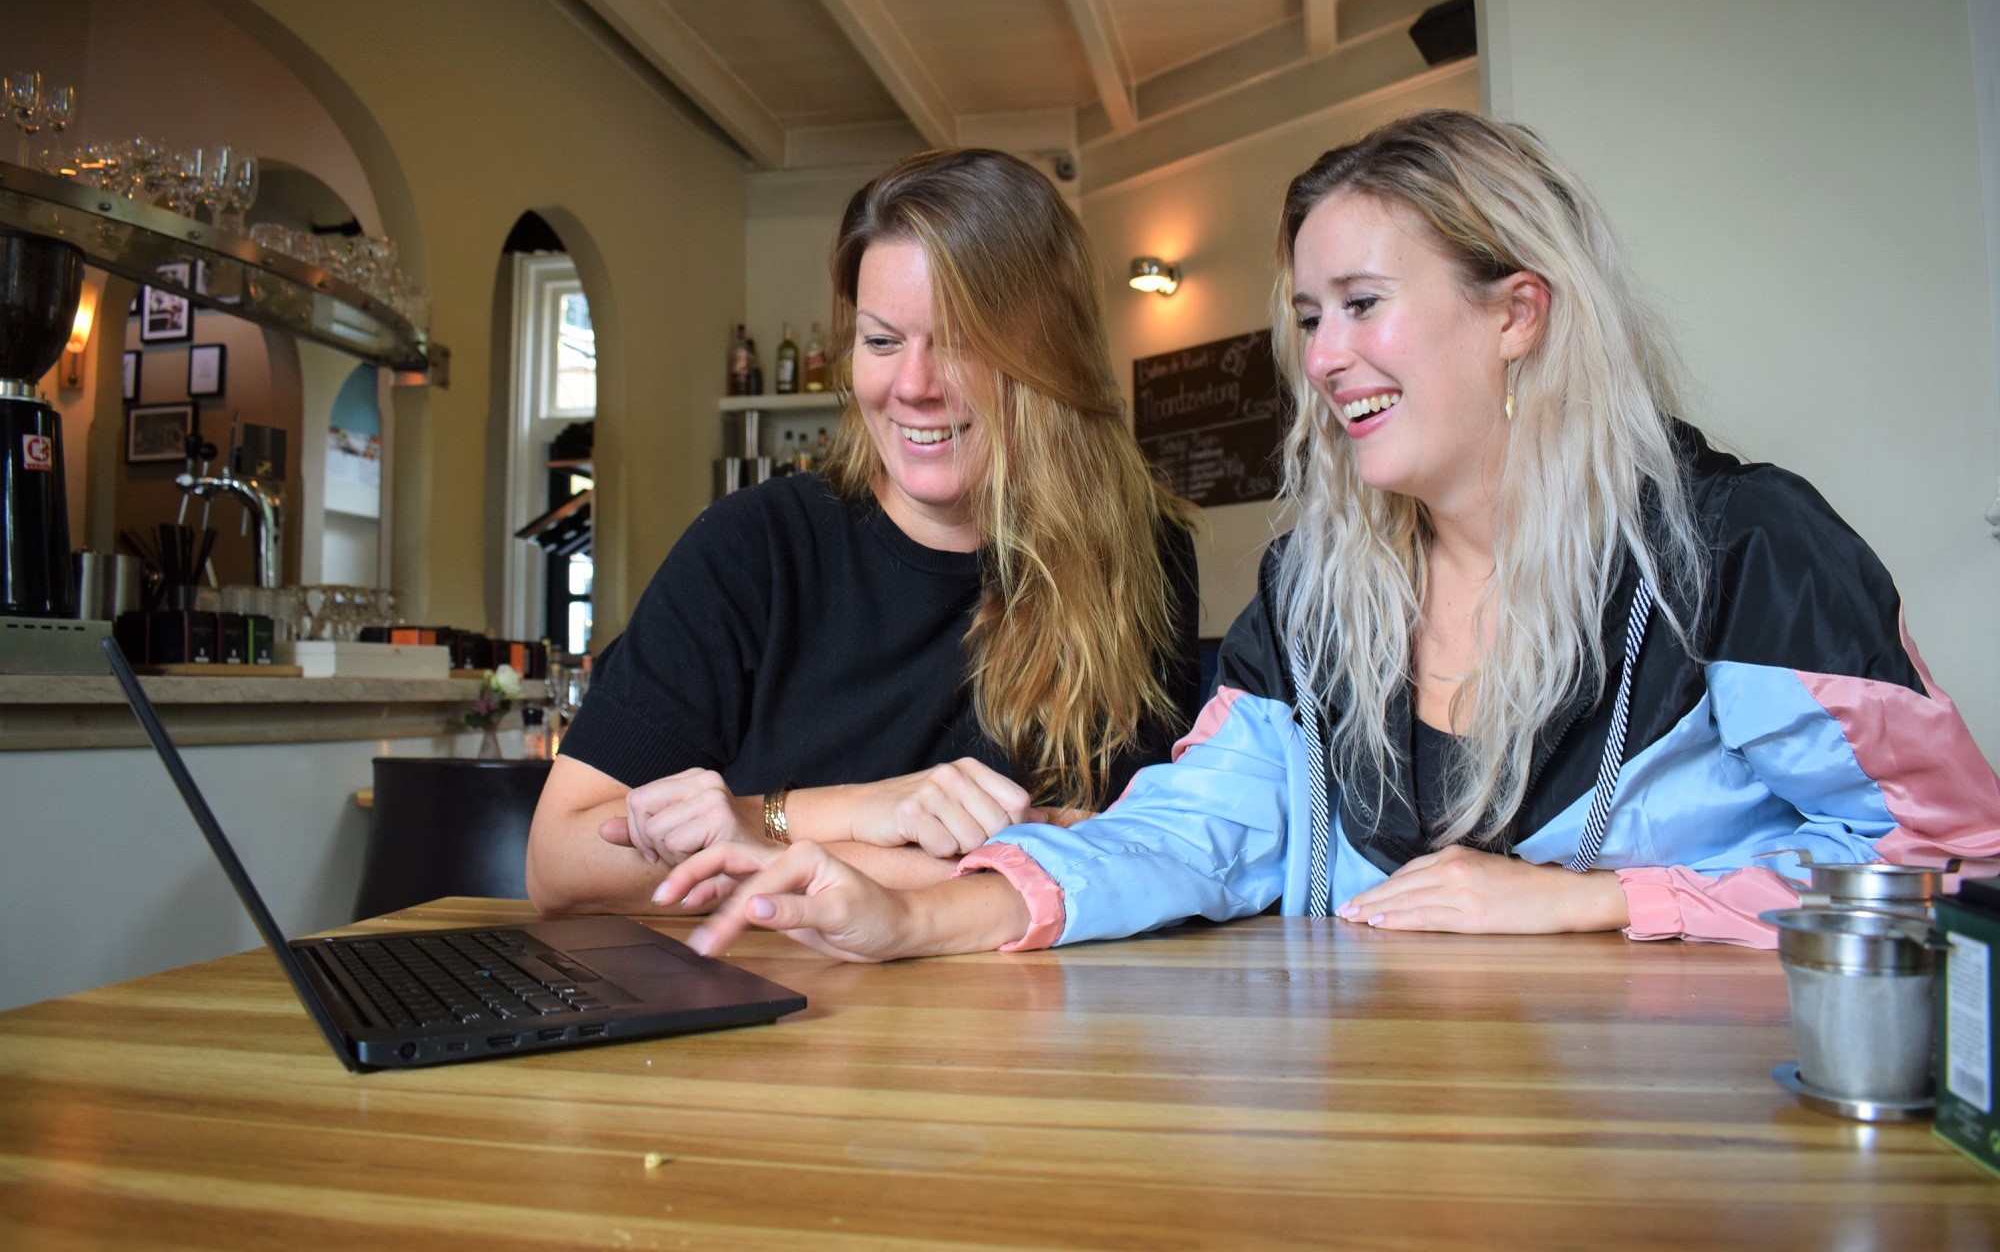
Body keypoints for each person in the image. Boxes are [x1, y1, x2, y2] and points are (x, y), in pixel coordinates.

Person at [665, 109, 2000, 961]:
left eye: (1362, 304)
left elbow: (1951, 871)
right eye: (1308, 318)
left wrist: (1605, 900)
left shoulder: (1743, 551)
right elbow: (1189, 828)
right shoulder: (1318, 588)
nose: (1324, 358)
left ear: (1518, 311)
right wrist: (911, 916)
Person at [527, 148, 1201, 914]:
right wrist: (857, 811)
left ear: (1050, 355)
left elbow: (1132, 856)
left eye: (961, 341)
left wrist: (754, 837)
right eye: (882, 342)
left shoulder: (1138, 554)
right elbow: (561, 862)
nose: (912, 385)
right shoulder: (752, 547)